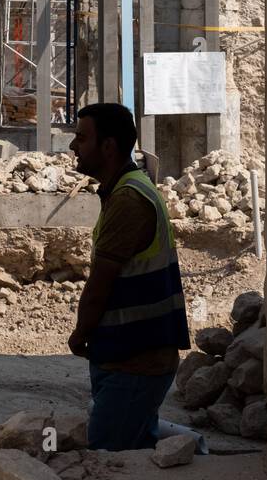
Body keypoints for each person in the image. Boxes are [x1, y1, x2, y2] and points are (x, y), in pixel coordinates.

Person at [68, 102, 191, 450]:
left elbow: (99, 287)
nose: (73, 147)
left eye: (81, 138)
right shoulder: (128, 189)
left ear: (108, 146)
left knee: (108, 457)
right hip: (129, 354)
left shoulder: (128, 200)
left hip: (136, 361)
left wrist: (80, 334)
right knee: (134, 449)